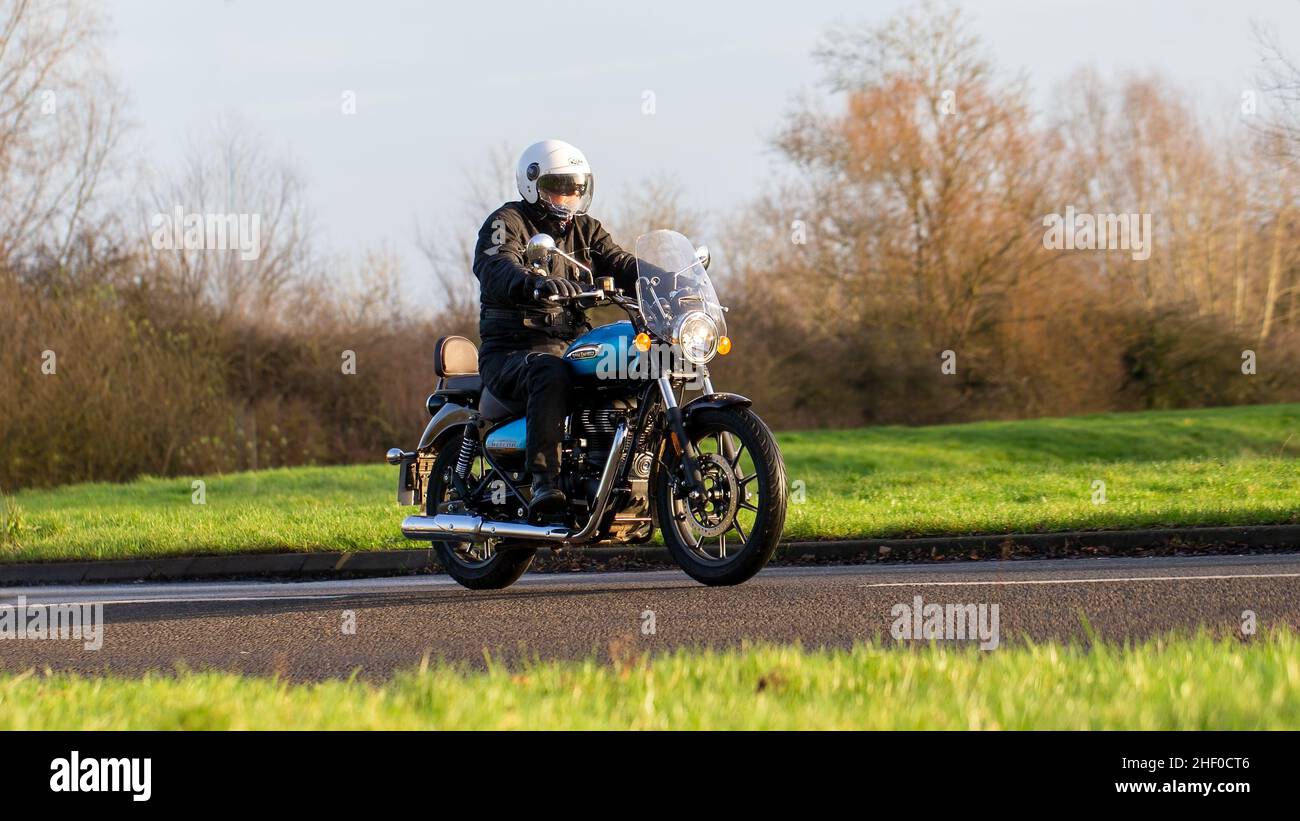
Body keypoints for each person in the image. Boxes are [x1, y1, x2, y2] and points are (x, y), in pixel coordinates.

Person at [472, 139, 638, 517]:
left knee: (632, 366)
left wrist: (665, 279)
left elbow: (620, 262)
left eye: (575, 190)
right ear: (532, 185)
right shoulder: (507, 222)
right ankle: (544, 481)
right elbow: (497, 266)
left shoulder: (587, 231)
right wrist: (533, 282)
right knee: (549, 369)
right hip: (513, 351)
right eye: (557, 189)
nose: (567, 198)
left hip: (571, 344)